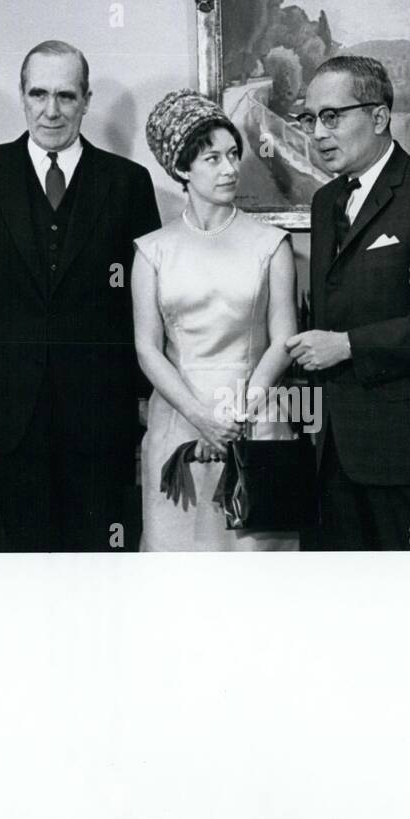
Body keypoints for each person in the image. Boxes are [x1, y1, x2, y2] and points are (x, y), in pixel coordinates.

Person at [0, 40, 161, 551]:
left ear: (86, 100)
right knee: (25, 551)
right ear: (22, 96)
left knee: (100, 549)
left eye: (66, 96)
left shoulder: (128, 182)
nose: (51, 110)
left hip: (101, 409)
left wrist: (141, 393)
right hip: (9, 407)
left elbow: (145, 301)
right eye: (38, 93)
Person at [289, 55, 410, 551]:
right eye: (310, 119)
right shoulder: (326, 202)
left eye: (333, 116)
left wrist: (348, 345)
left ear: (378, 117)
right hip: (336, 456)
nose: (318, 132)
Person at [132, 90, 299, 551]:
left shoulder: (271, 244)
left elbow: (283, 338)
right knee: (181, 568)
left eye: (232, 155)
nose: (230, 169)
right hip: (179, 422)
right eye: (213, 158)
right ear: (182, 168)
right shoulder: (152, 251)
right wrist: (201, 418)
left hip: (255, 420)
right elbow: (146, 349)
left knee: (254, 569)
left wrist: (238, 415)